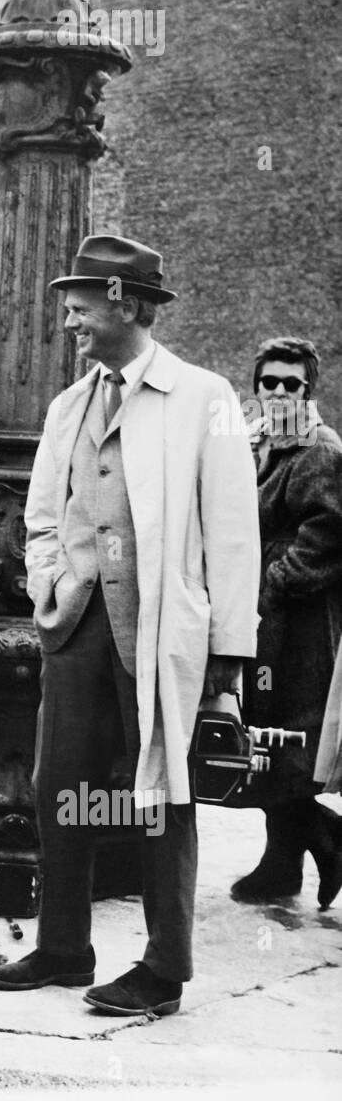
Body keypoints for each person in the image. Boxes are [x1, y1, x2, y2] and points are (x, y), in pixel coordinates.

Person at [0, 235, 260, 1017]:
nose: (69, 319)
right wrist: (53, 580)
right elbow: (42, 515)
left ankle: (165, 966)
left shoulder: (206, 398)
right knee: (60, 787)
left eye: (80, 305)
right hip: (77, 627)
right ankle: (64, 948)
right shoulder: (70, 404)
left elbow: (236, 535)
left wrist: (229, 654)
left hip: (164, 631)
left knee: (162, 795)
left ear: (125, 302)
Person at [231, 338, 342, 910]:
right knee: (264, 734)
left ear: (309, 391)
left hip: (299, 624)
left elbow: (328, 532)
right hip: (261, 614)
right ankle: (297, 856)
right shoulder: (254, 444)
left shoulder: (320, 450)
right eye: (268, 382)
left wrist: (277, 581)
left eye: (290, 384)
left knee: (289, 735)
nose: (277, 392)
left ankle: (305, 848)